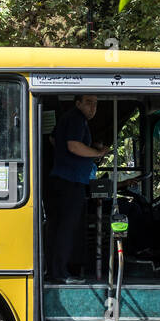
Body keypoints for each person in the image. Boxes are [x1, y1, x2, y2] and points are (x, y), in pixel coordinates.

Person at [47, 94, 108, 283]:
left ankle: (55, 270)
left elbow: (53, 139)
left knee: (59, 228)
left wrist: (87, 148)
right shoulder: (76, 118)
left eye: (96, 104)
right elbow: (73, 146)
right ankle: (60, 274)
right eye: (88, 102)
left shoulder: (69, 119)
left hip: (62, 179)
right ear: (78, 103)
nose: (93, 108)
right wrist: (97, 153)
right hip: (70, 181)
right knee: (66, 228)